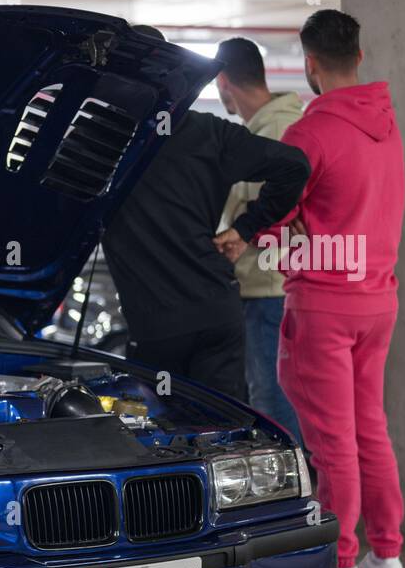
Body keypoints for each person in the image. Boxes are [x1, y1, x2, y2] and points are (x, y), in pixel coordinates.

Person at [214, 10, 405, 568]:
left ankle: (341, 567)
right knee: (369, 430)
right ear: (360, 55)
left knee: (332, 443)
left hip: (323, 304)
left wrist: (246, 236)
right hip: (379, 299)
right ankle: (388, 558)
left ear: (311, 64)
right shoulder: (388, 124)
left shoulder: (311, 133)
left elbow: (279, 211)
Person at [102, 25, 310, 402]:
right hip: (218, 312)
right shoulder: (210, 132)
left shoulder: (104, 143)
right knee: (225, 435)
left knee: (159, 438)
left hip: (157, 323)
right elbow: (294, 166)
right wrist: (245, 229)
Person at [214, 37, 305, 445]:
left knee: (272, 399)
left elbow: (290, 212)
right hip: (274, 287)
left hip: (269, 290)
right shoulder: (279, 126)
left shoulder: (274, 135)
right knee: (278, 395)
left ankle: (294, 495)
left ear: (222, 81)